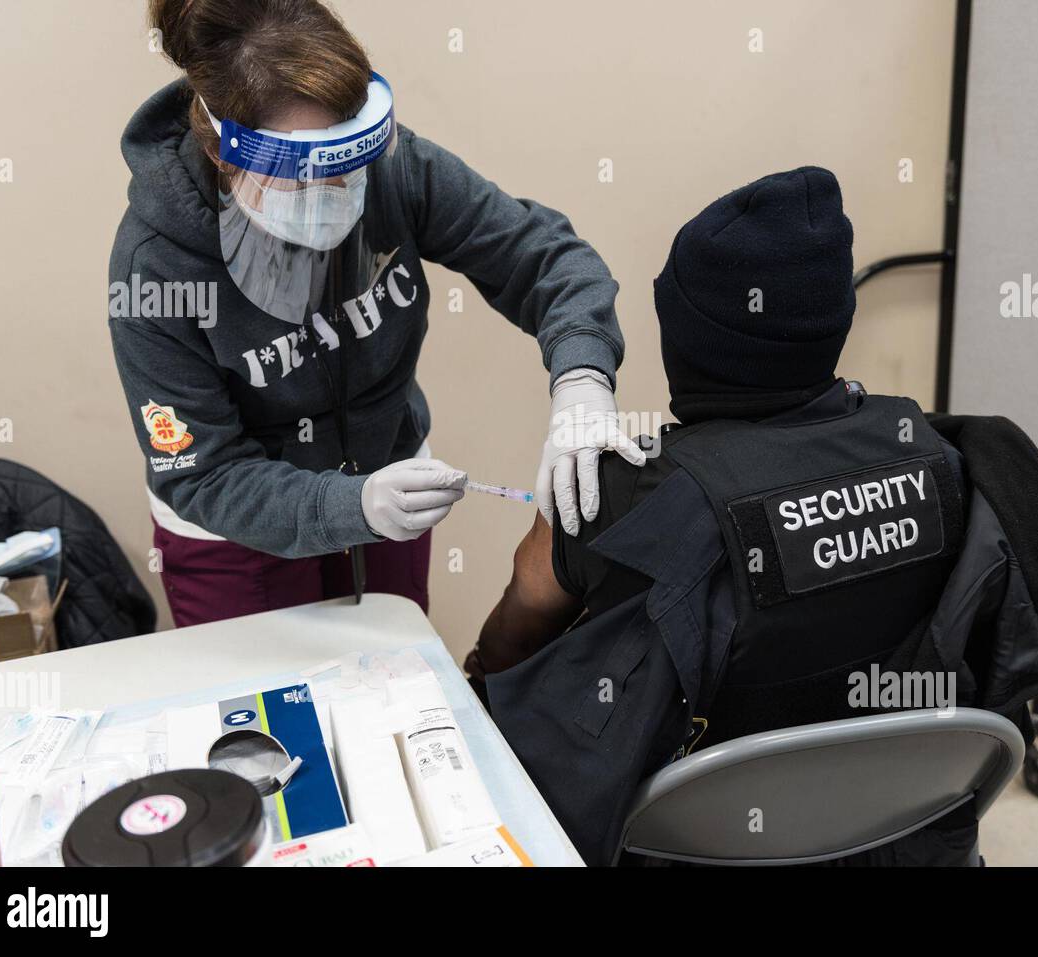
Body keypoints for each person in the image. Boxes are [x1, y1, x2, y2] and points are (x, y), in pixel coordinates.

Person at [466, 168, 1038, 866]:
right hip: (889, 836)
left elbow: (514, 632)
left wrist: (478, 677)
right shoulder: (945, 459)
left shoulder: (620, 490)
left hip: (697, 848)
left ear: (687, 337)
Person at [109, 0, 643, 627]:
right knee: (271, 717)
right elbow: (206, 476)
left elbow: (546, 260)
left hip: (390, 479)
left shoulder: (396, 167)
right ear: (229, 155)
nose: (337, 198)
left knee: (395, 685)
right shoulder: (156, 267)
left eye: (349, 168)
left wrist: (583, 381)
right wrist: (349, 506)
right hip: (236, 535)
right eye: (304, 178)